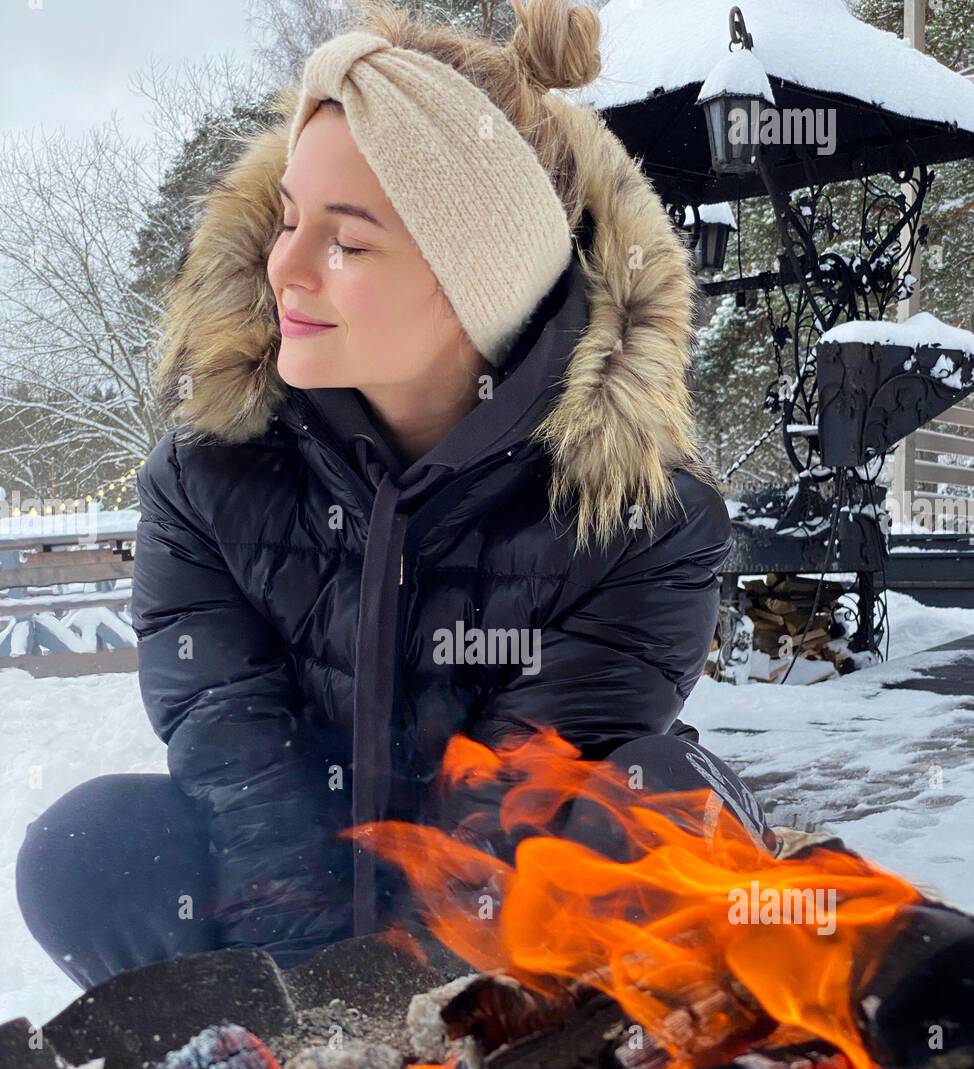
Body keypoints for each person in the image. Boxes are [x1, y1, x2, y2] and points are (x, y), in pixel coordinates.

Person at [16, 0, 778, 992]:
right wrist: (313, 1005)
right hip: (291, 886)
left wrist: (433, 1020)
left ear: (477, 291)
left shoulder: (634, 515)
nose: (280, 265)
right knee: (90, 850)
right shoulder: (209, 475)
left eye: (347, 241)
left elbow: (517, 792)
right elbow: (231, 736)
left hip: (520, 914)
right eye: (287, 219)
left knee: (655, 804)